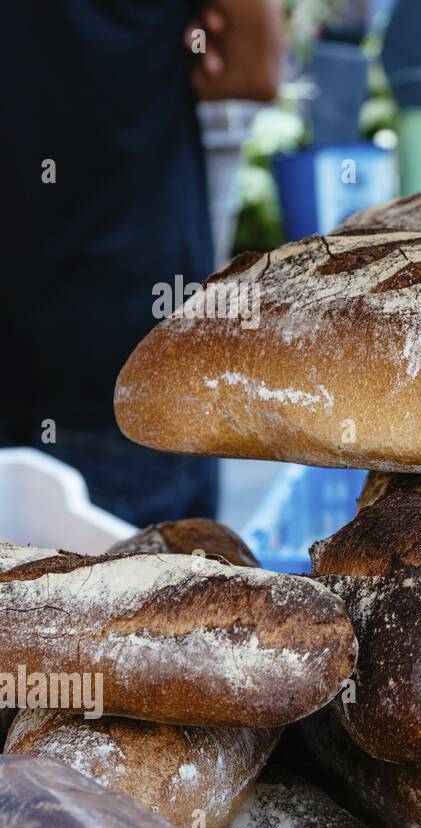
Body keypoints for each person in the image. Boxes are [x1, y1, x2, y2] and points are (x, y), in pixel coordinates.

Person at [3, 0, 282, 526]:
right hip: (131, 338)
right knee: (169, 573)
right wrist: (156, 66)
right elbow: (254, 70)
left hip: (115, 353)